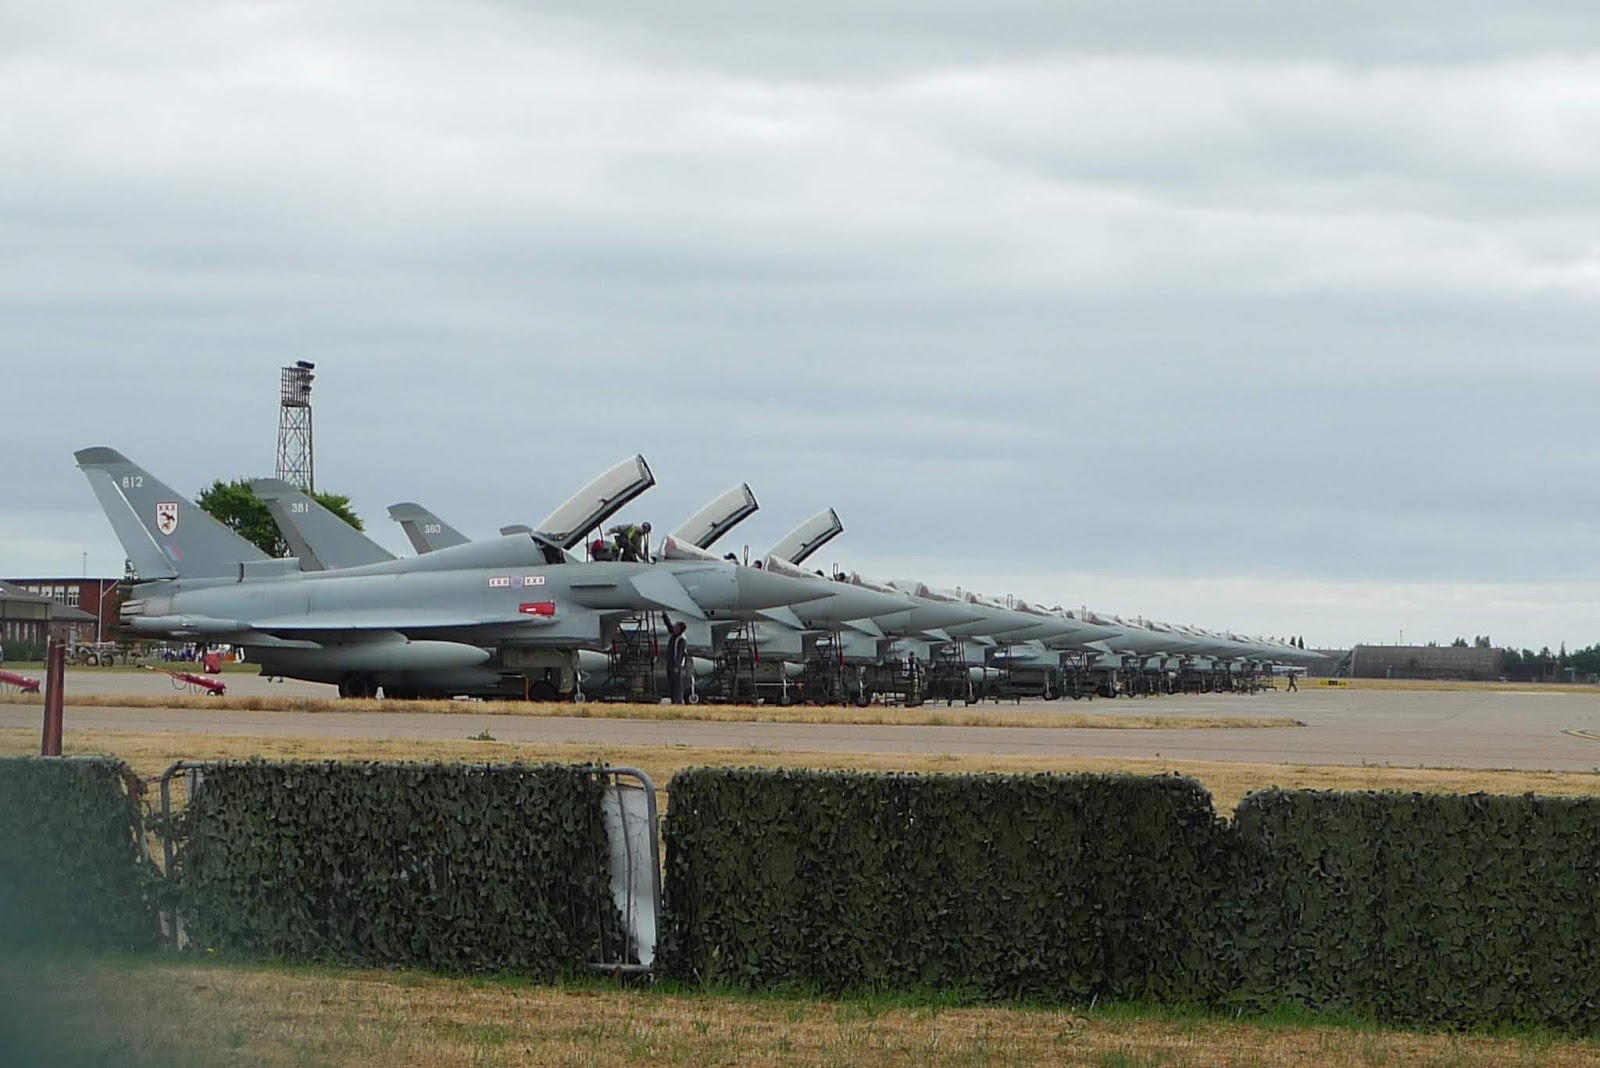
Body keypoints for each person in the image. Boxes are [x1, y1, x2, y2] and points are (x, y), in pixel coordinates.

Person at [664, 619, 689, 705]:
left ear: (680, 629)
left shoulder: (681, 640)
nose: (674, 628)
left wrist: (677, 666)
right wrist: (664, 616)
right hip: (670, 663)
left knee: (677, 684)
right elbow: (669, 627)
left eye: (676, 627)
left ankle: (678, 700)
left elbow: (680, 654)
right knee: (671, 683)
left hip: (677, 665)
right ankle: (673, 700)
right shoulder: (674, 636)